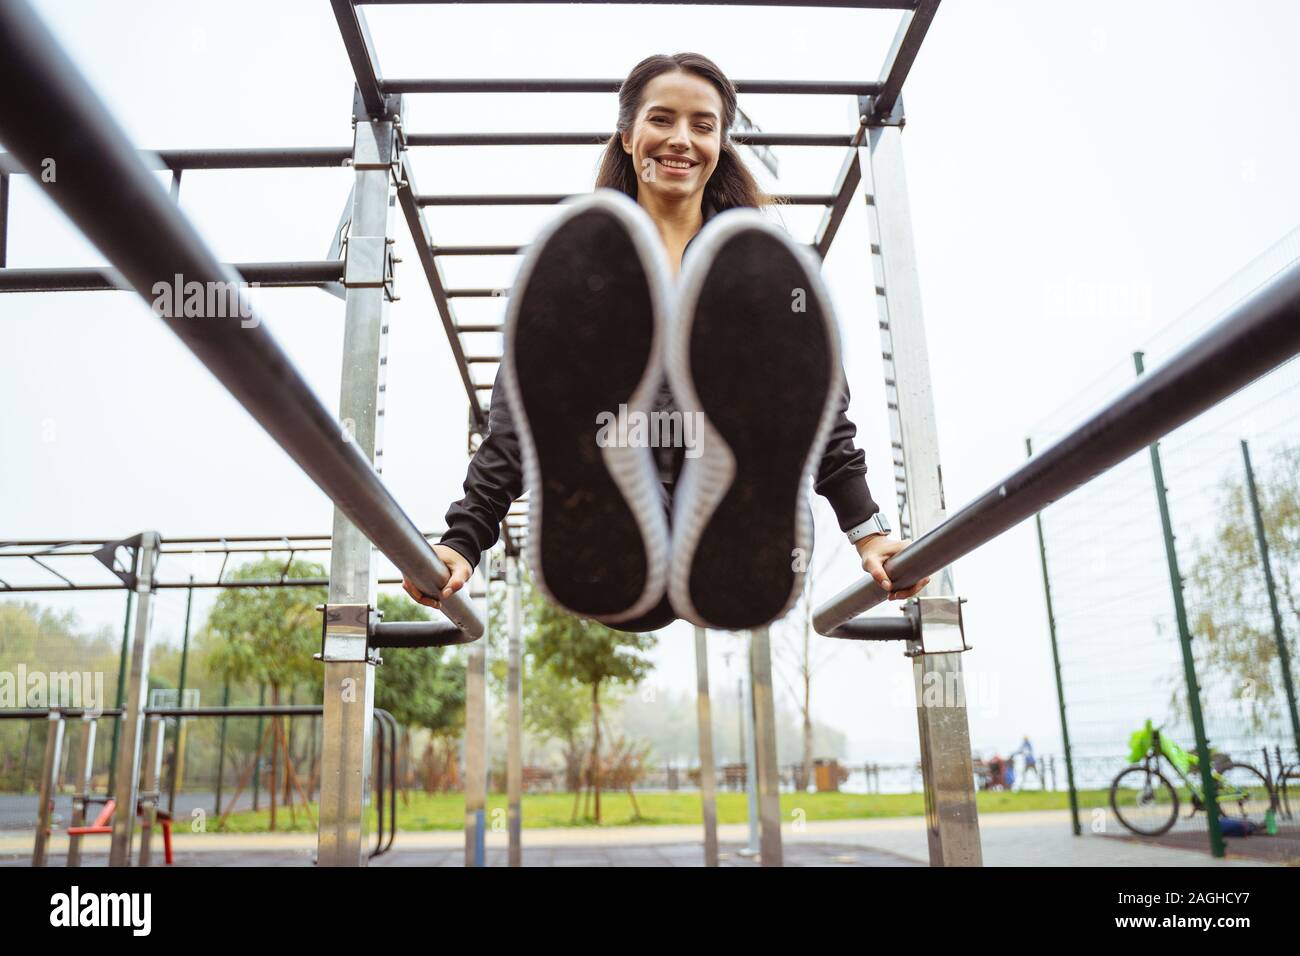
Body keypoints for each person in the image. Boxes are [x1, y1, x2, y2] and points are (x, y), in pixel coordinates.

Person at [404, 52, 929, 631]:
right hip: (616, 568)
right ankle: (615, 490)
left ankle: (723, 502)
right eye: (661, 120)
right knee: (586, 393)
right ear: (627, 136)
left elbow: (816, 413)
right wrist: (463, 540)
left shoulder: (755, 268)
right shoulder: (583, 265)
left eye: (703, 126)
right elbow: (518, 421)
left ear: (721, 143)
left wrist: (869, 533)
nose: (681, 139)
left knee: (759, 359)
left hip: (733, 566)